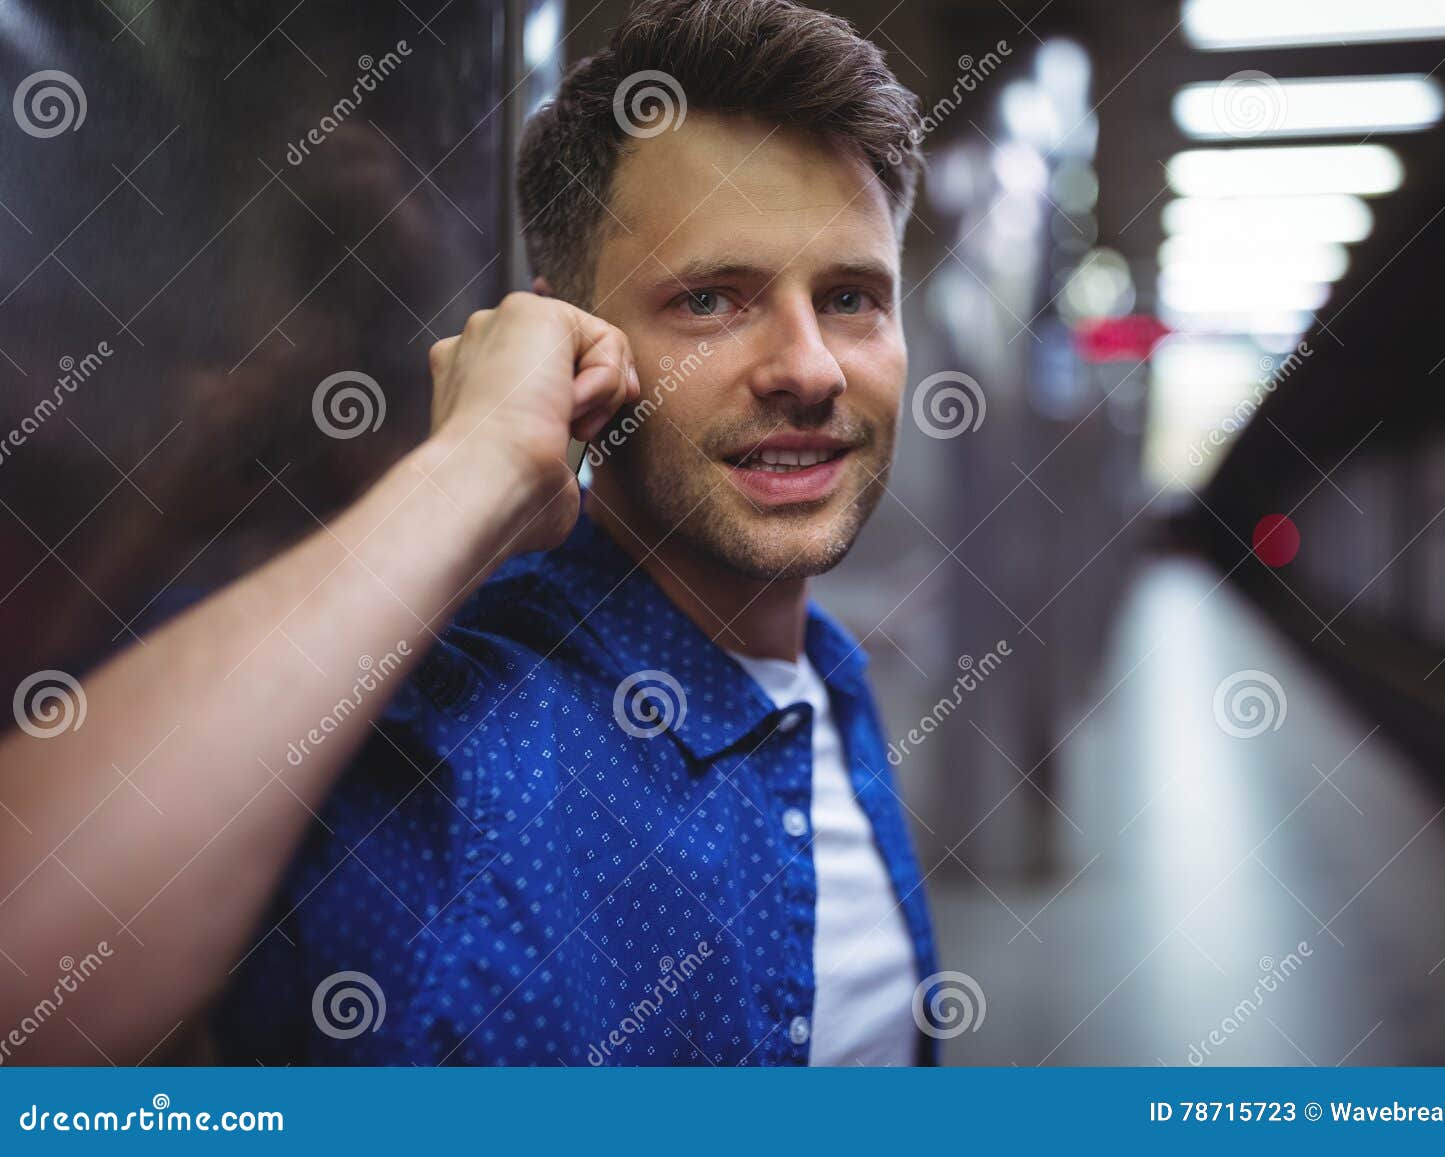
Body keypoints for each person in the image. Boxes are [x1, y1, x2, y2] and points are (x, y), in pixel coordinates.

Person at [0, 0, 936, 1066]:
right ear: (575, 341)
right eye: (713, 300)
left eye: (852, 297)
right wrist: (476, 465)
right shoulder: (449, 746)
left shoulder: (835, 680)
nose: (811, 367)